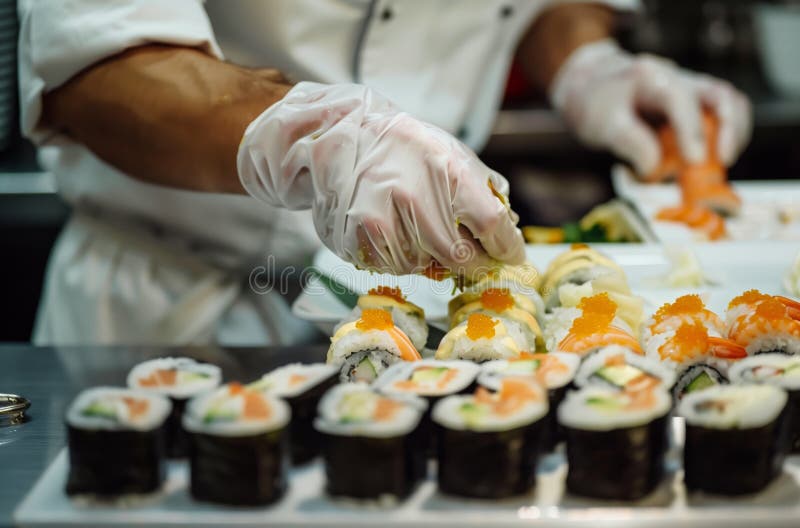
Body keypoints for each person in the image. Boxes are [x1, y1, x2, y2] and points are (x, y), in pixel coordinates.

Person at [18, 0, 751, 345]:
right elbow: (97, 70)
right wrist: (315, 139)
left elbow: (540, 8)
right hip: (166, 306)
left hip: (429, 311)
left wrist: (588, 66)